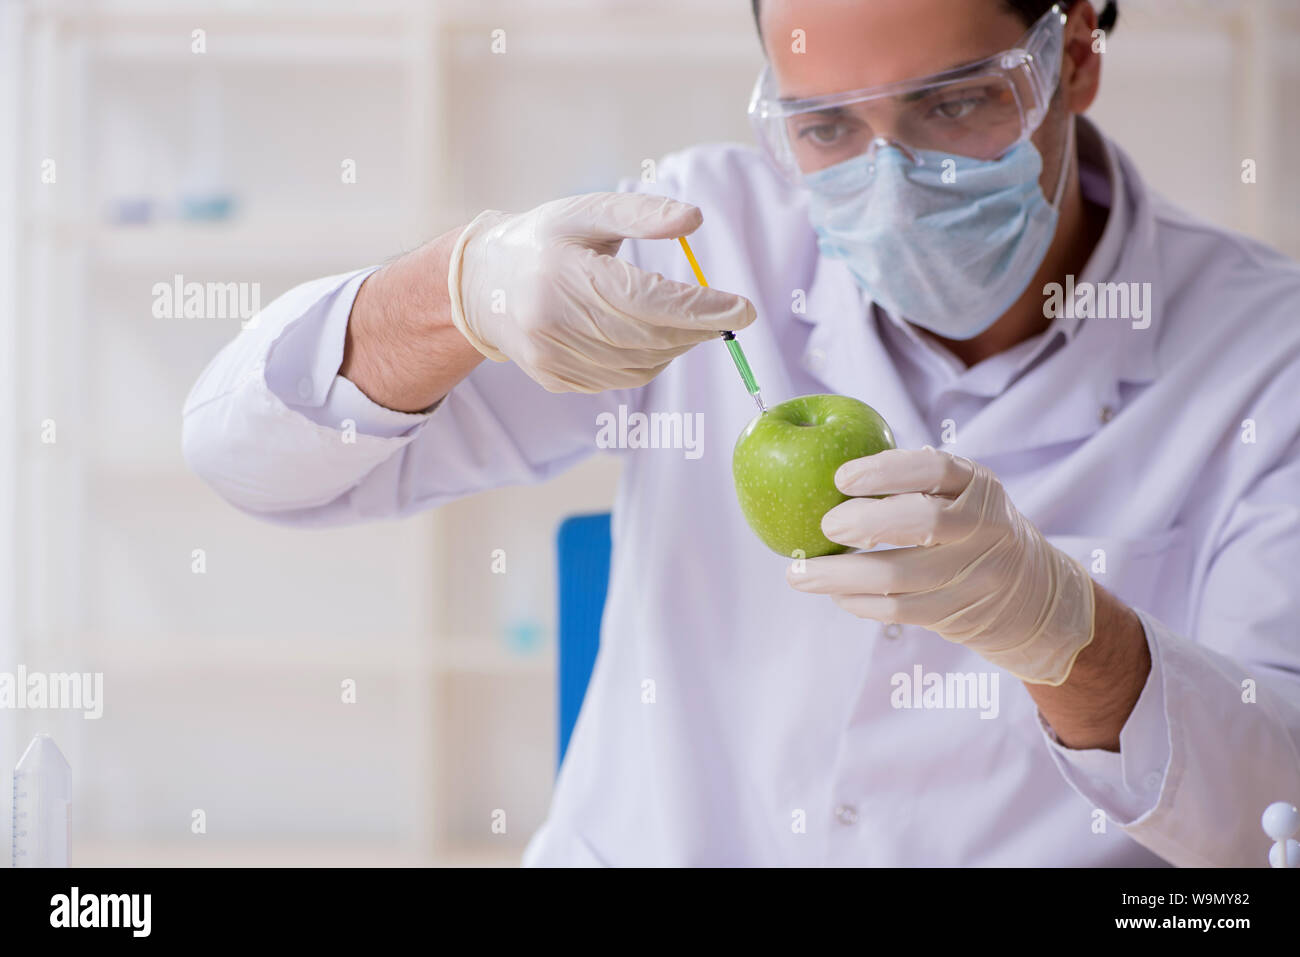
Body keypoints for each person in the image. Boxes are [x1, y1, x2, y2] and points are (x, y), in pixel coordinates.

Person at [183, 0, 1300, 866]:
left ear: (1076, 56)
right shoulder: (698, 242)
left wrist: (1071, 639)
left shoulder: (1267, 353)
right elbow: (253, 463)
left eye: (955, 105)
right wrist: (460, 288)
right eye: (823, 127)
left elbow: (1270, 817)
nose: (891, 182)